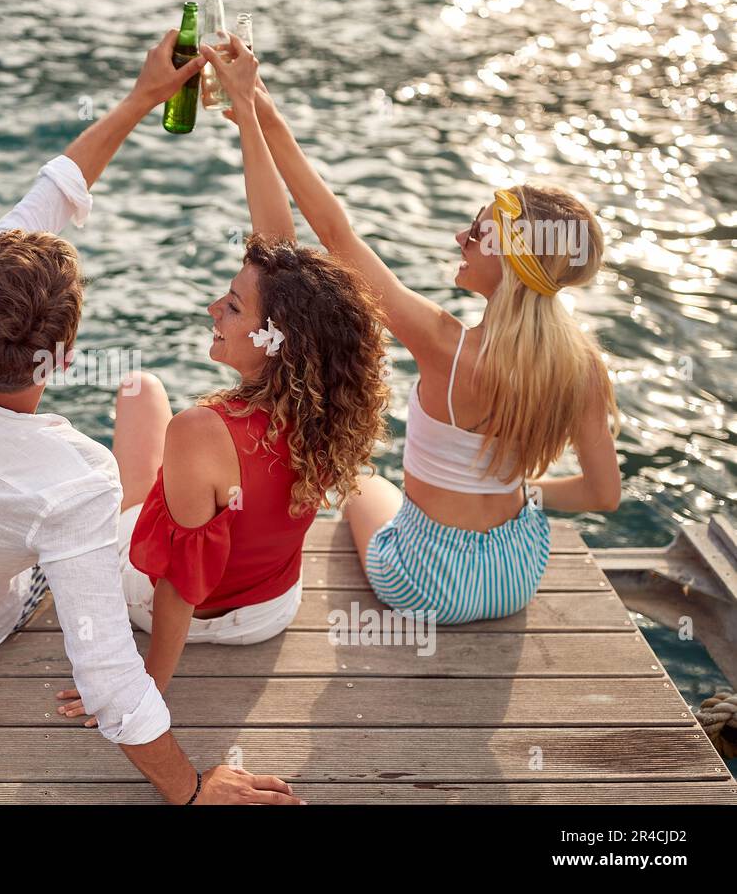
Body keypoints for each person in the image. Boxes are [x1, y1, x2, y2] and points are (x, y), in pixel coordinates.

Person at [0, 29, 298, 804]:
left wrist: (140, 97)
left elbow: (41, 198)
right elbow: (112, 682)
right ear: (66, 357)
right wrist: (190, 791)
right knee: (94, 524)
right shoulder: (74, 479)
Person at [207, 35, 622, 624]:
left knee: (359, 489)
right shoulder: (582, 365)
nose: (462, 237)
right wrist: (527, 494)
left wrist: (260, 114)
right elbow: (604, 495)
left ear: (510, 258)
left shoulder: (444, 344)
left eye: (478, 231)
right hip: (517, 572)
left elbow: (336, 236)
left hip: (425, 583)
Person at [56, 32, 390, 726]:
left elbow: (180, 584)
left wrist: (144, 688)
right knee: (143, 392)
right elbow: (278, 251)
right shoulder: (325, 385)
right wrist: (245, 104)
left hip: (180, 614)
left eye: (231, 305)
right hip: (268, 610)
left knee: (136, 403)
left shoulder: (204, 430)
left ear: (272, 338)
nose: (214, 307)